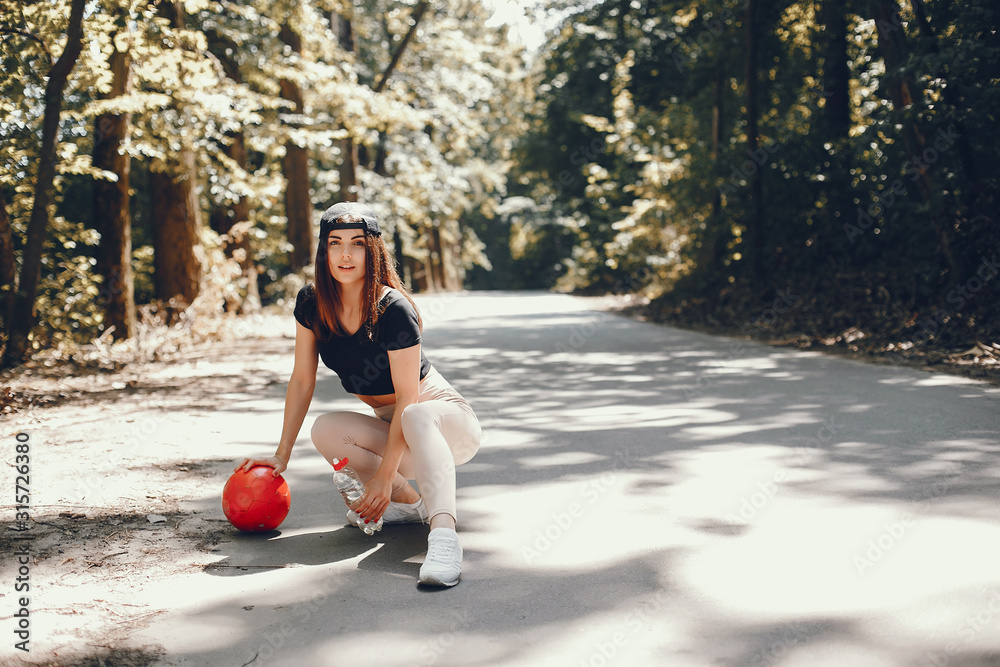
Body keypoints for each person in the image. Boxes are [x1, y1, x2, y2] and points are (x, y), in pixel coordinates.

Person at [236, 201, 482, 587]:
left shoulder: (393, 308)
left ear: (374, 250)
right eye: (335, 243)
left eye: (357, 244)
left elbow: (408, 398)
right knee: (326, 430)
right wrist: (281, 453)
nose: (346, 254)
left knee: (415, 415)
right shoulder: (311, 303)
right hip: (397, 427)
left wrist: (383, 477)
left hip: (444, 422)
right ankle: (407, 507)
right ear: (324, 250)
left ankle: (444, 536)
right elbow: (302, 379)